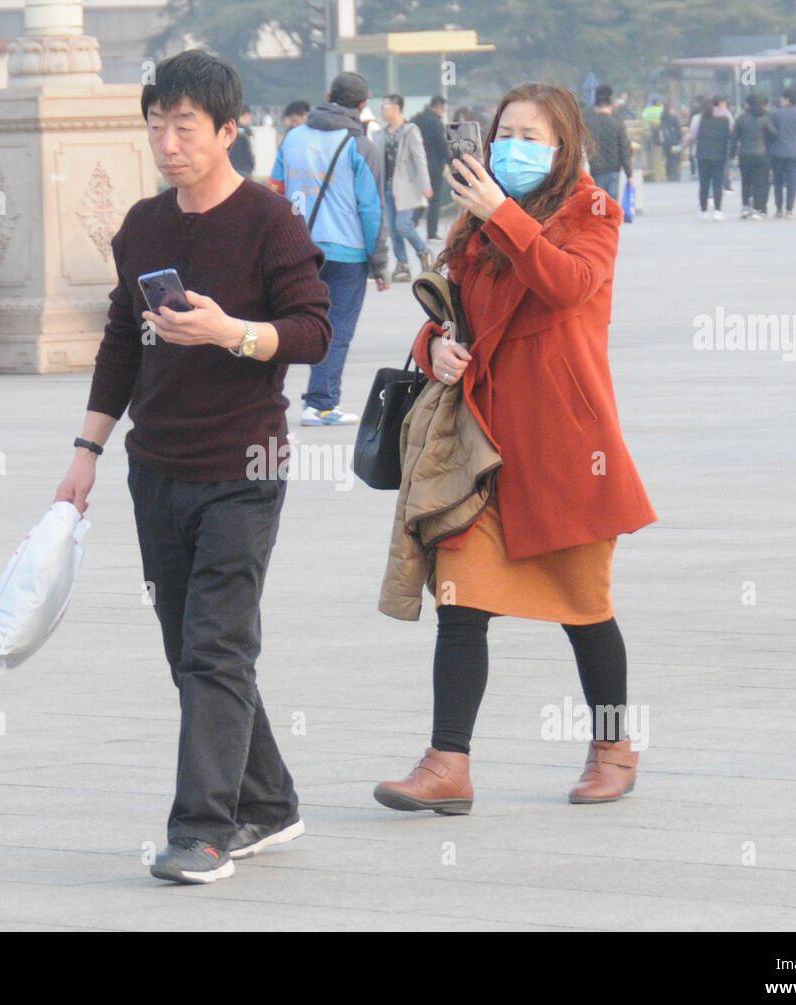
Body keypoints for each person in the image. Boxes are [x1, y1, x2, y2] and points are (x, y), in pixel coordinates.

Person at [54, 49, 332, 885]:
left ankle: (202, 832)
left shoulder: (268, 220)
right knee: (191, 650)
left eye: (185, 127)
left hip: (244, 464)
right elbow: (117, 341)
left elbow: (313, 331)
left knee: (216, 646)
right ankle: (270, 802)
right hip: (157, 466)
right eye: (156, 126)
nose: (168, 143)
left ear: (227, 130)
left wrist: (231, 332)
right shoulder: (141, 224)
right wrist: (87, 451)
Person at [375, 81, 656, 812]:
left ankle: (613, 746)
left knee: (583, 606)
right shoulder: (471, 227)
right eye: (506, 134)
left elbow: (569, 285)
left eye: (532, 137)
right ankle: (448, 764)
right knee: (460, 602)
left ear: (565, 148)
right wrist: (434, 347)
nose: (513, 148)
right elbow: (449, 311)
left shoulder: (593, 210)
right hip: (481, 445)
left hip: (566, 449)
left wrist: (501, 213)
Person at [269, 70, 391, 426]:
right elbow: (371, 209)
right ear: (363, 105)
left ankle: (267, 402)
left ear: (327, 95)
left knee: (288, 324)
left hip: (297, 249)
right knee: (335, 327)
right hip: (347, 254)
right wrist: (379, 262)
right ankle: (321, 404)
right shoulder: (361, 147)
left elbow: (274, 191)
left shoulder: (292, 139)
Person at [378, 94, 434, 282]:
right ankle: (402, 264)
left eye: (385, 106)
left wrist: (425, 186)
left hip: (407, 187)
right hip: (387, 187)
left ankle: (423, 251)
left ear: (397, 108)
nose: (382, 110)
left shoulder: (410, 131)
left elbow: (420, 159)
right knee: (393, 229)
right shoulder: (382, 134)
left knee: (403, 225)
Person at [731, 94, 776, 219]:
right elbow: (774, 134)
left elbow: (734, 139)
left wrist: (732, 154)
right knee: (760, 182)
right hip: (761, 154)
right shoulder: (764, 118)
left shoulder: (741, 119)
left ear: (747, 104)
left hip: (745, 154)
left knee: (746, 182)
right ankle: (757, 208)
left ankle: (745, 207)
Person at [687, 95, 732, 219]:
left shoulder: (701, 119)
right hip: (719, 155)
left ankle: (703, 210)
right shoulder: (726, 118)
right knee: (718, 183)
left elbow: (692, 137)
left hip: (703, 155)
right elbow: (731, 136)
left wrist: (683, 147)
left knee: (704, 183)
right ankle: (717, 210)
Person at [411, 95, 449, 240]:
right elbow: (442, 144)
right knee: (434, 199)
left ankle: (411, 223)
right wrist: (451, 161)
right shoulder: (436, 123)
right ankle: (431, 232)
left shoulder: (417, 119)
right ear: (439, 107)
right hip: (434, 166)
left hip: (418, 164)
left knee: (421, 196)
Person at [584, 85, 631, 202]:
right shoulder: (617, 120)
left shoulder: (586, 119)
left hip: (594, 169)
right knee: (611, 202)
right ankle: (610, 219)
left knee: (598, 206)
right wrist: (629, 173)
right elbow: (624, 147)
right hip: (613, 169)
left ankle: (600, 219)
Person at [767, 89, 796, 217]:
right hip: (794, 152)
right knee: (792, 182)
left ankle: (779, 209)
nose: (781, 100)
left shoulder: (775, 114)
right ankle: (790, 209)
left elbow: (770, 133)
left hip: (777, 151)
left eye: (782, 98)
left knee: (777, 181)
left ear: (787, 99)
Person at [228, 106, 255, 177]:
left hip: (231, 168)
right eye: (248, 118)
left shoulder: (229, 130)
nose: (249, 121)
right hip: (244, 170)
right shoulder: (247, 132)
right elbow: (250, 152)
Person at [659, 103, 683, 181]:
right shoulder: (674, 118)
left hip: (665, 142)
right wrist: (680, 140)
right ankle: (674, 174)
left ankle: (669, 174)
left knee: (668, 158)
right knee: (676, 158)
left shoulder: (662, 118)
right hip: (675, 141)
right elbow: (678, 130)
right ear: (669, 110)